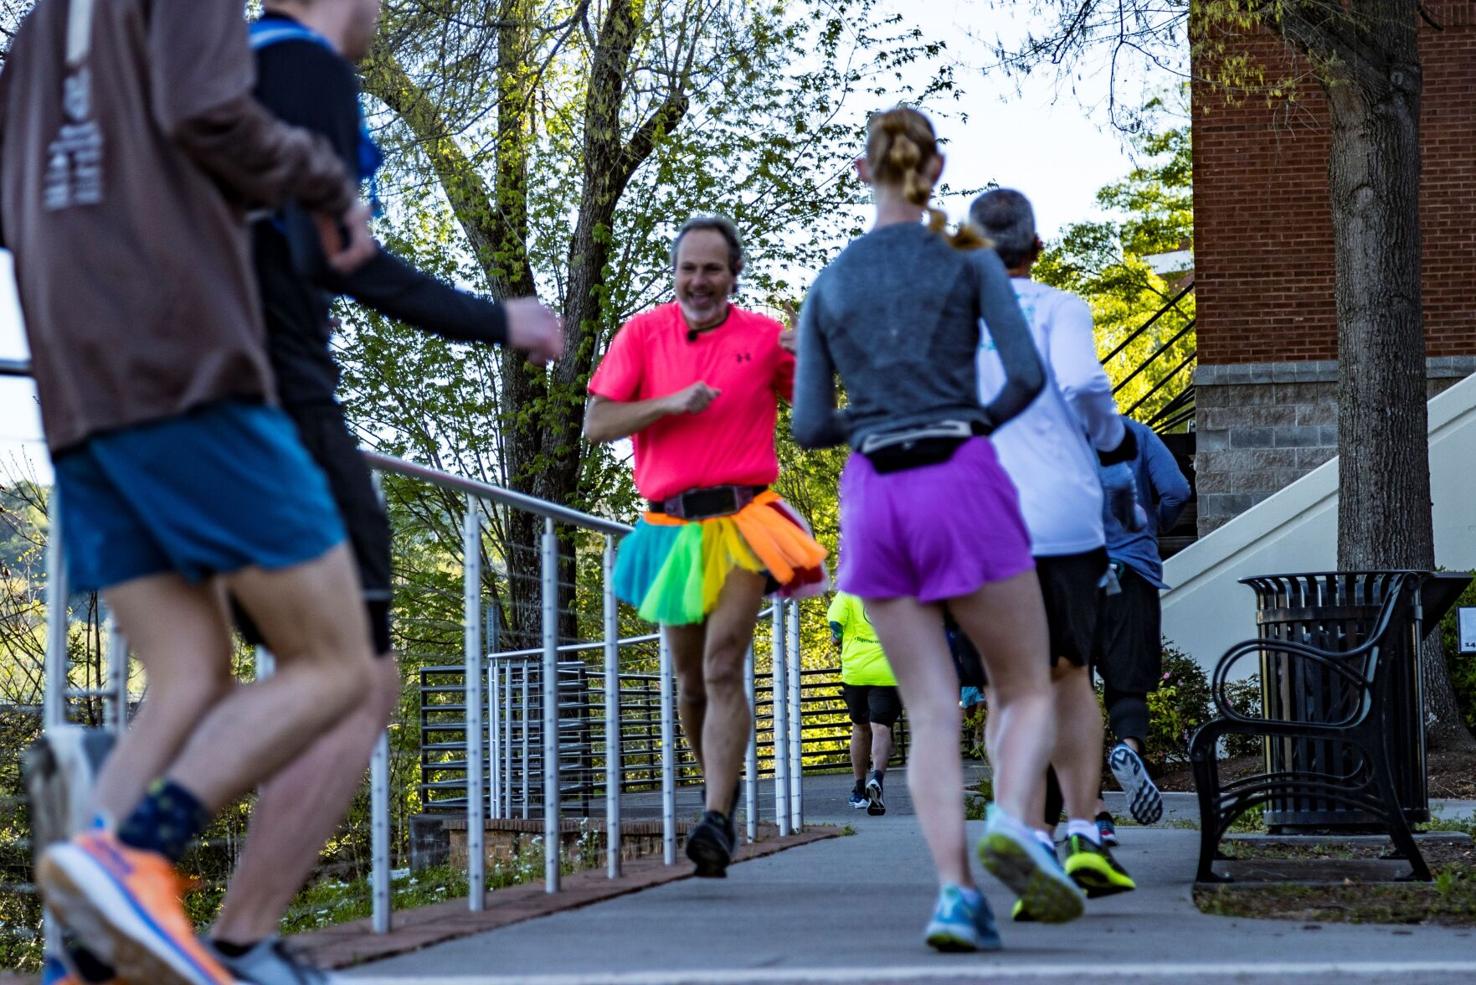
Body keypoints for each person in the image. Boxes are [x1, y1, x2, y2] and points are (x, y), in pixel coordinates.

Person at [2, 2, 383, 983]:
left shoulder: (45, 27)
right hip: (185, 365)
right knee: (339, 664)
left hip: (77, 386)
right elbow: (207, 110)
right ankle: (133, 853)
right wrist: (326, 179)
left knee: (187, 673)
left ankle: (79, 958)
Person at [184, 2, 560, 981]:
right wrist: (499, 319)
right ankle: (198, 908)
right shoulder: (304, 64)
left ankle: (144, 890)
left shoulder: (204, 70)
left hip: (172, 404)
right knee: (357, 679)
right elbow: (328, 255)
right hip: (283, 407)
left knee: (213, 672)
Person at [792, 106, 1083, 953]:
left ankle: (957, 893)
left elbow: (810, 424)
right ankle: (1012, 822)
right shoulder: (965, 256)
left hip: (875, 492)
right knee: (1026, 683)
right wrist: (966, 421)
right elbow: (1026, 373)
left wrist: (878, 420)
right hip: (959, 473)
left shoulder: (831, 282)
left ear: (861, 170)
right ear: (938, 167)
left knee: (925, 707)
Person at [584, 215, 827, 879]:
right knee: (689, 681)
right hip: (669, 530)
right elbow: (597, 423)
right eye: (688, 268)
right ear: (675, 272)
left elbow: (816, 411)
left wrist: (816, 347)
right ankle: (718, 789)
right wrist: (668, 404)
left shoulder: (764, 337)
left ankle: (717, 816)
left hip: (744, 520)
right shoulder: (643, 334)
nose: (699, 280)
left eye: (712, 268)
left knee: (723, 666)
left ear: (732, 274)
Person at [971, 188, 1141, 913]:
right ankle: (1081, 826)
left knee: (1007, 685)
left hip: (982, 517)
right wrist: (1110, 440)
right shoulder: (1062, 306)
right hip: (1067, 518)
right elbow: (1082, 382)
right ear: (1036, 250)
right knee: (1072, 676)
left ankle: (1027, 834)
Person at [1094, 418, 1190, 828]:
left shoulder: (1056, 438)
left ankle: (1094, 812)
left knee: (1070, 692)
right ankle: (1129, 747)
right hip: (1132, 573)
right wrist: (1156, 526)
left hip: (1074, 575)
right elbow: (1177, 490)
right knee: (1128, 682)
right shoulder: (1140, 436)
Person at [827, 589, 900, 816]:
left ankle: (859, 791)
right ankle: (877, 779)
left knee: (860, 728)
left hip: (855, 671)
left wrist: (837, 636)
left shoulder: (849, 589)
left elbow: (835, 624)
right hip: (888, 670)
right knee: (881, 727)